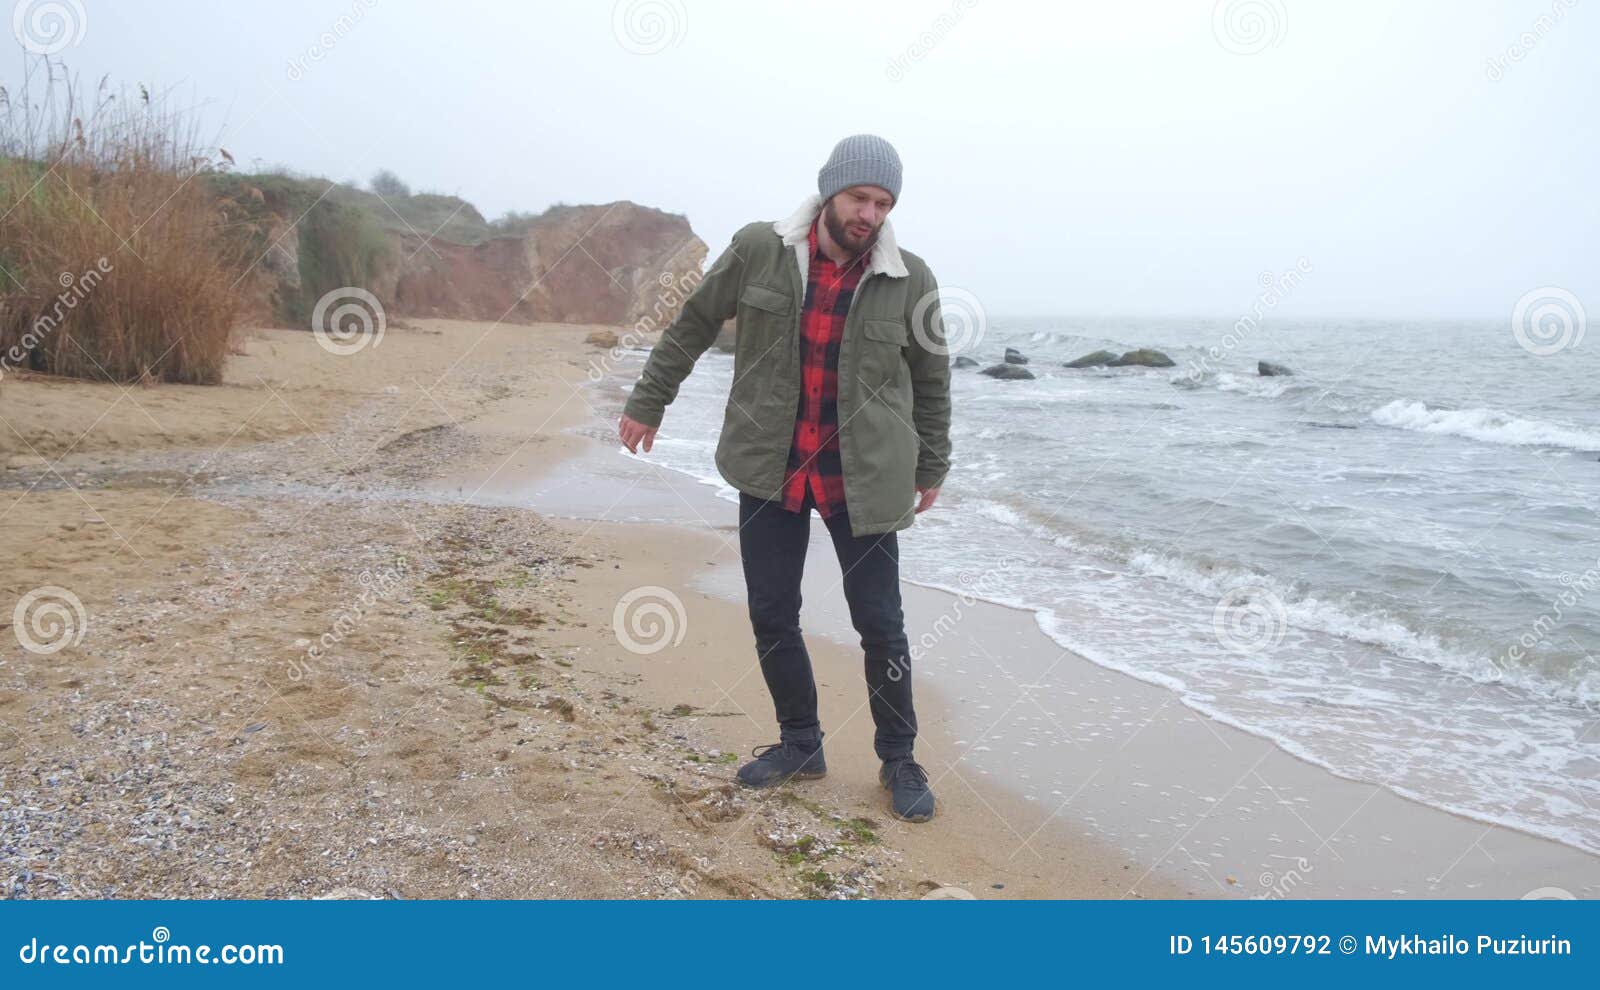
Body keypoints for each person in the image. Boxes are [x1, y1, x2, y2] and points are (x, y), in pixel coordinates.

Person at [617, 134, 952, 822]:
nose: (870, 213)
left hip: (866, 476)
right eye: (860, 197)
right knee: (773, 614)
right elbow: (693, 324)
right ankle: (801, 743)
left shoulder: (910, 277)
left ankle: (899, 758)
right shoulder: (757, 248)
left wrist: (932, 463)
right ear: (831, 191)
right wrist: (649, 400)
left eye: (883, 202)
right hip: (770, 464)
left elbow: (931, 377)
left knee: (881, 625)